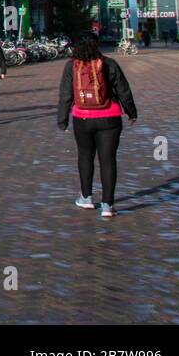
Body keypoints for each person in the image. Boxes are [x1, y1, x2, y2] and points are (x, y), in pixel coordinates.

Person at [57, 31, 137, 218]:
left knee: (85, 156)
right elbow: (124, 90)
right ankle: (108, 205)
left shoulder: (72, 67)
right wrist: (131, 112)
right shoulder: (109, 64)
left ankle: (86, 198)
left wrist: (62, 120)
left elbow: (65, 96)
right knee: (108, 160)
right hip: (110, 117)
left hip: (82, 118)